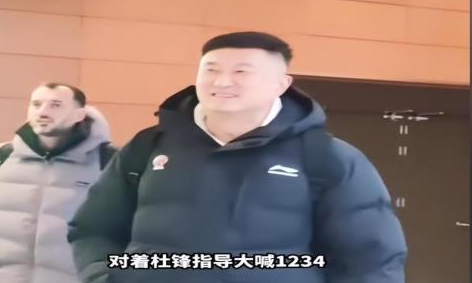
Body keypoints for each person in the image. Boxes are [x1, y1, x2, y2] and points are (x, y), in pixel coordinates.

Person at [68, 32, 407, 283]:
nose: (222, 82)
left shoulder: (326, 156)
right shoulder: (148, 147)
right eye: (211, 70)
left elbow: (371, 257)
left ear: (281, 84)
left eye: (242, 72)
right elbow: (94, 227)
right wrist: (103, 276)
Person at [0, 82, 116, 283]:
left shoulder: (111, 163)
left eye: (55, 105)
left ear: (79, 115)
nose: (43, 112)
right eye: (36, 104)